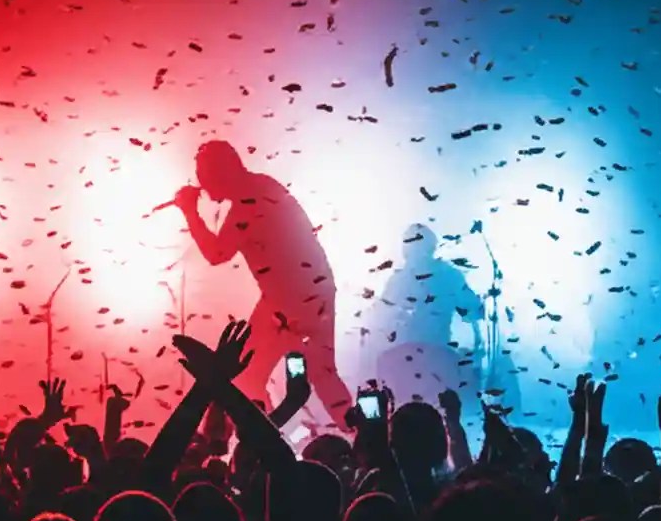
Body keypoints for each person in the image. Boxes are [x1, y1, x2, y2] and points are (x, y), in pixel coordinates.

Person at [173, 141, 352, 428]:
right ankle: (363, 437)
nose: (202, 186)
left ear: (223, 172)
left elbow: (217, 254)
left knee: (248, 375)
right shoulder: (261, 188)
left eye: (204, 176)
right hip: (303, 293)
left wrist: (190, 212)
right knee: (319, 375)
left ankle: (265, 443)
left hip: (289, 299)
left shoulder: (250, 201)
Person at [373, 223, 488, 407]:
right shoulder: (450, 274)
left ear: (405, 249)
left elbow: (381, 318)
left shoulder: (396, 279)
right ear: (432, 247)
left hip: (398, 357)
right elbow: (473, 312)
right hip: (439, 355)